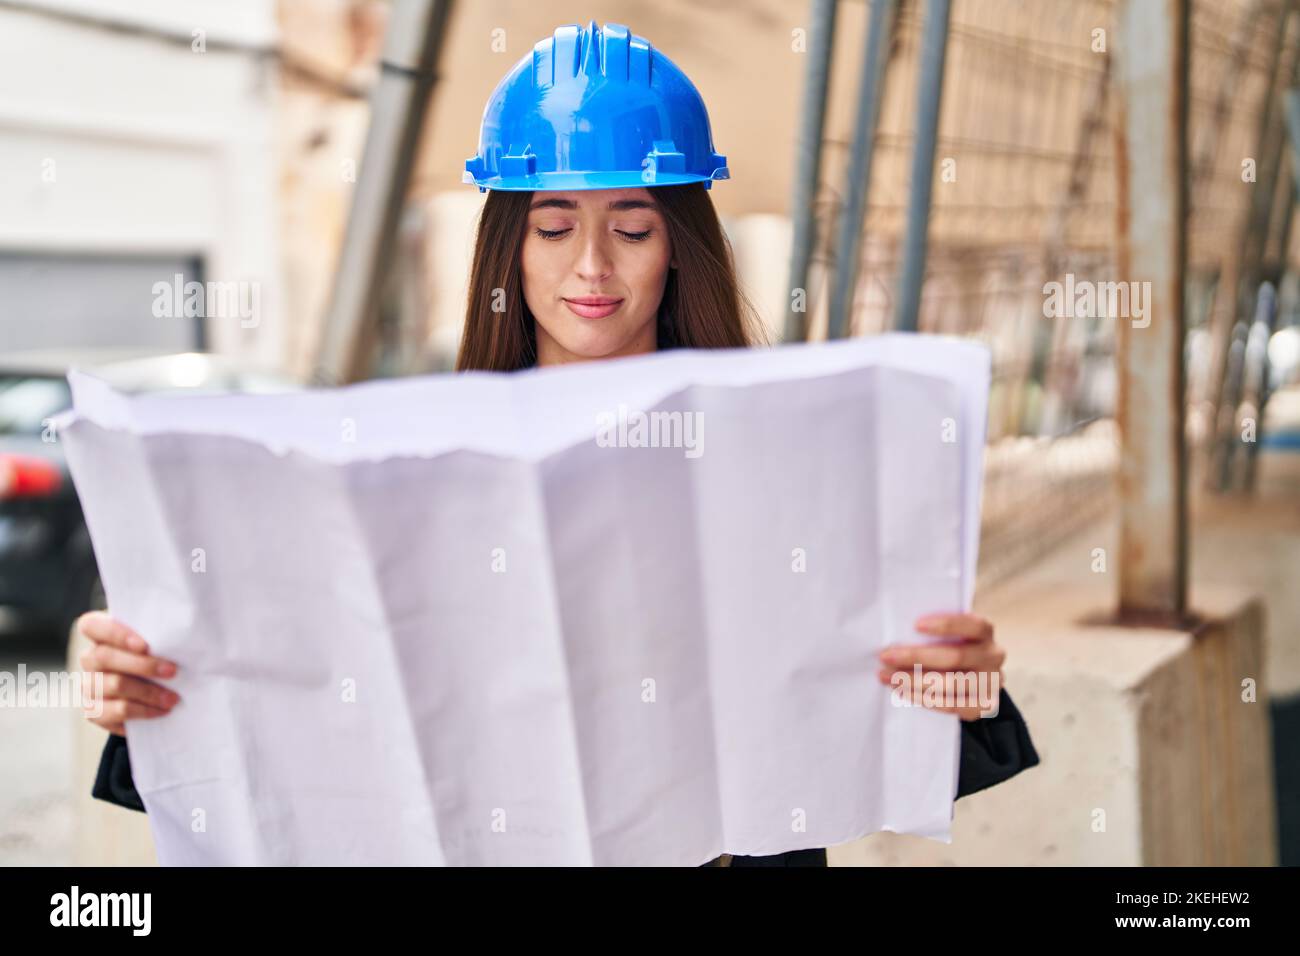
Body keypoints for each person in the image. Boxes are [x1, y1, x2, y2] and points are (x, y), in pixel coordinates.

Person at [80, 20, 1039, 867]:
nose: (591, 264)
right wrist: (152, 692)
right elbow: (303, 690)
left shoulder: (782, 459)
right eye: (552, 227)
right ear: (510, 247)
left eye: (631, 226)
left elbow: (875, 715)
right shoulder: (407, 474)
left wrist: (955, 690)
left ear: (681, 249)